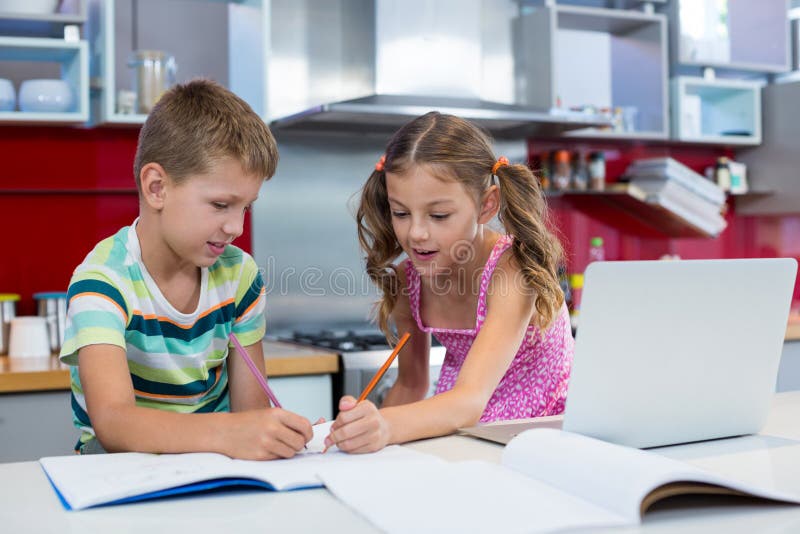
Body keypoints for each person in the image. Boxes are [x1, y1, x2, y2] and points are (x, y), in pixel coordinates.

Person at [59, 79, 313, 459]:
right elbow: (113, 423)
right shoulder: (102, 282)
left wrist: (276, 434)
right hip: (115, 466)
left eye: (246, 207)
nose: (236, 227)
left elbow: (251, 414)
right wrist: (230, 433)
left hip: (210, 463)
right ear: (157, 188)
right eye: (220, 205)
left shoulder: (239, 277)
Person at [325, 111, 574, 453]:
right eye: (401, 213)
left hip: (545, 442)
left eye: (439, 215)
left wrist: (386, 426)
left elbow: (470, 399)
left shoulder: (512, 271)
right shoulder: (408, 281)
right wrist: (365, 429)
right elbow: (411, 385)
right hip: (466, 439)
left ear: (486, 206)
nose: (416, 233)